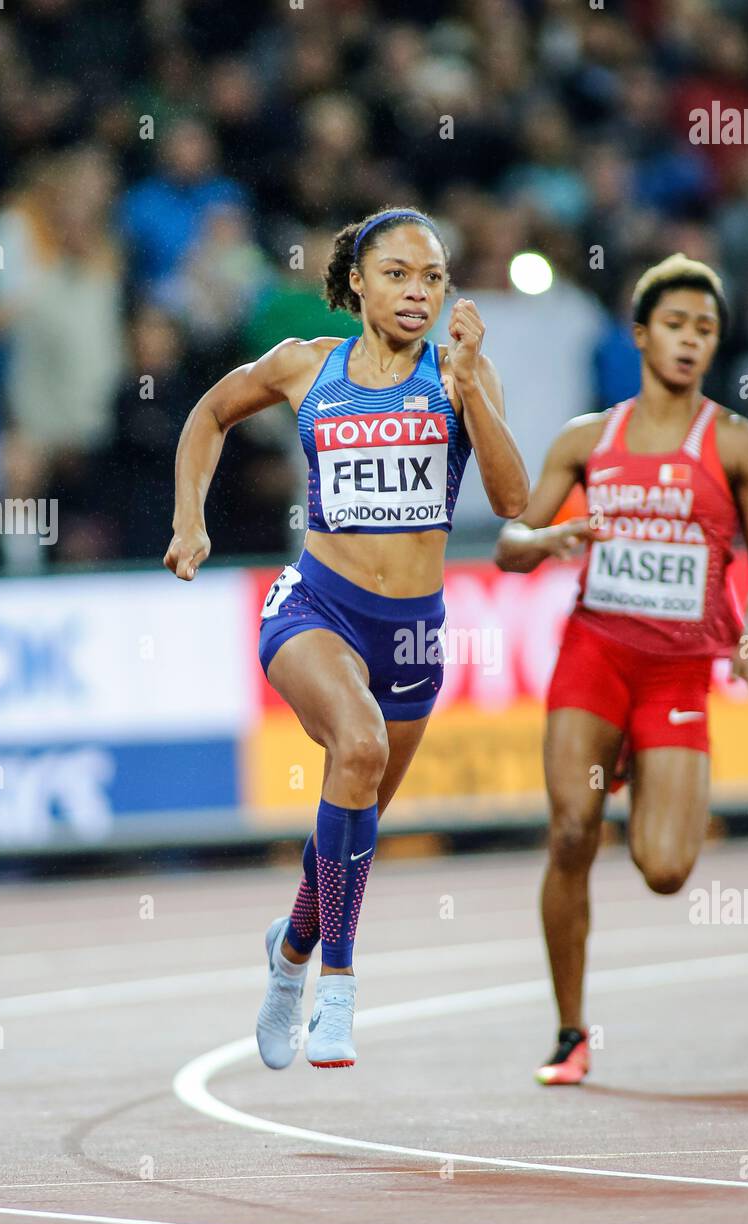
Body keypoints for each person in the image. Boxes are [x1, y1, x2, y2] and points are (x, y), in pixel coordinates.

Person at [165, 207, 527, 1068]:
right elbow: (207, 418)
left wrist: (473, 391)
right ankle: (337, 987)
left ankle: (288, 953)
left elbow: (514, 503)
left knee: (353, 818)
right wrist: (191, 522)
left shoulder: (459, 372)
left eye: (432, 278)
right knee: (356, 745)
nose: (416, 292)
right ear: (356, 283)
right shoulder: (304, 367)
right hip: (315, 610)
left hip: (411, 635)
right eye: (397, 273)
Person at [495, 254, 748, 1085]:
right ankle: (568, 1031)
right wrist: (545, 540)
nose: (690, 341)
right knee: (569, 831)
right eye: (675, 325)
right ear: (640, 335)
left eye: (705, 329)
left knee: (664, 871)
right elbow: (512, 539)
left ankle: (642, 761)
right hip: (597, 654)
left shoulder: (738, 444)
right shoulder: (588, 438)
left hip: (677, 672)